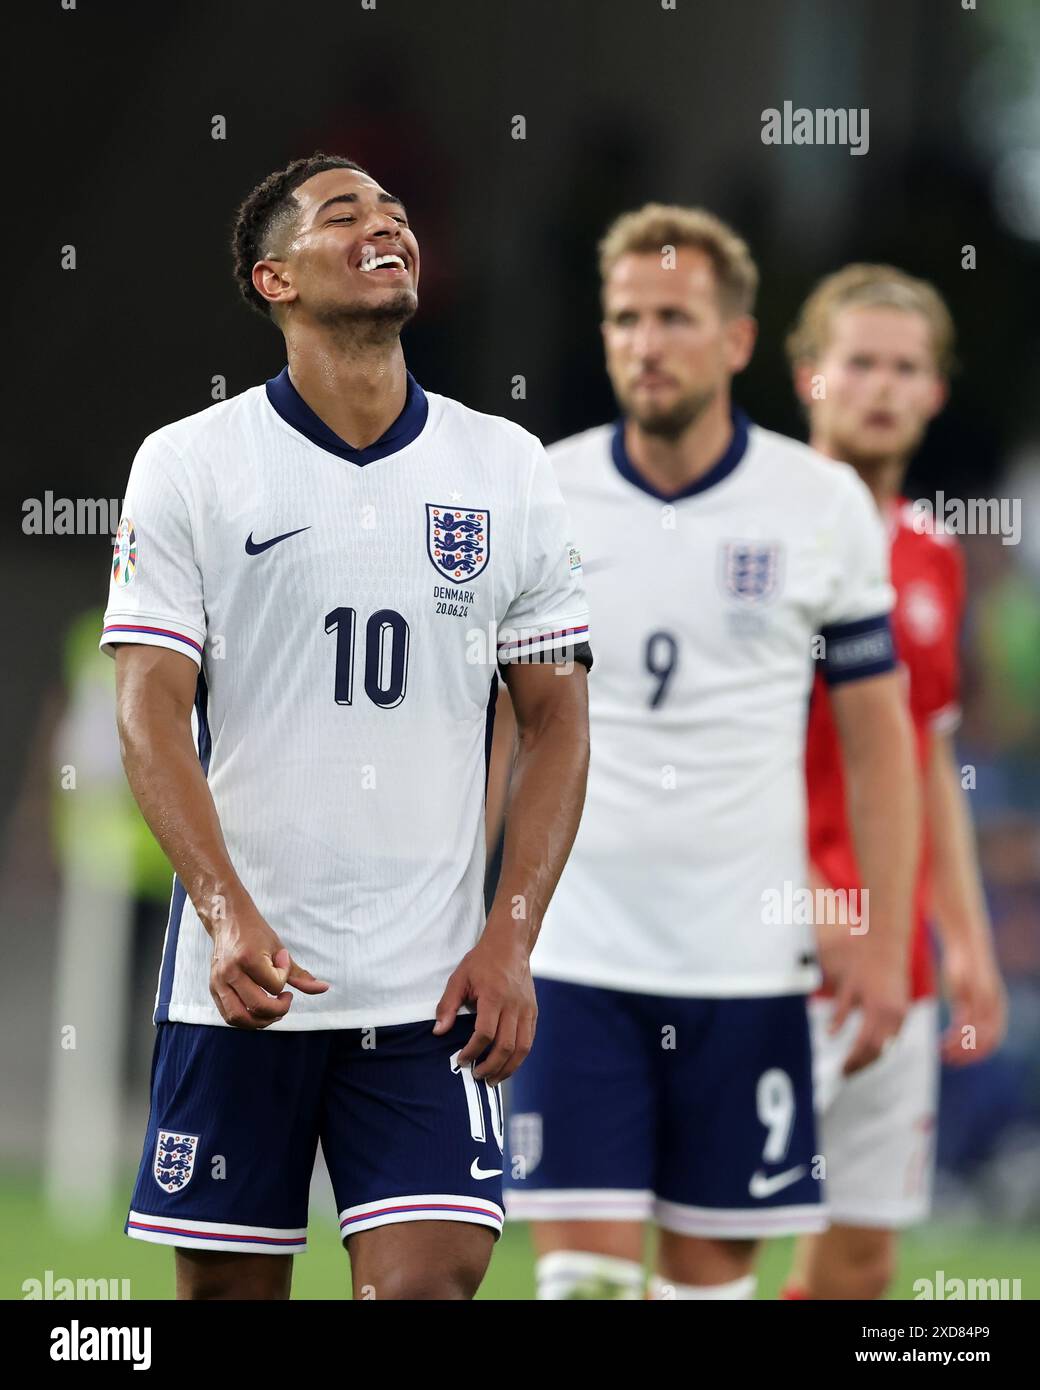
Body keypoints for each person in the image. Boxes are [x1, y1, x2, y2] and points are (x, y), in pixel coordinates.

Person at [100, 152, 591, 1301]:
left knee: (427, 1284)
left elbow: (558, 719)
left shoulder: (505, 466)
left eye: (397, 213)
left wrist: (510, 934)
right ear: (272, 278)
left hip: (430, 990)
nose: (386, 227)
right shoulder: (188, 463)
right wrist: (224, 916)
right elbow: (148, 708)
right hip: (243, 980)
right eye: (344, 214)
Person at [501, 204, 919, 1300]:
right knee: (582, 1285)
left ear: (735, 340)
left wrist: (877, 943)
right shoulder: (541, 489)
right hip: (575, 959)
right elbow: (500, 723)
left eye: (675, 317)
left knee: (705, 1291)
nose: (646, 343)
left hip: (744, 963)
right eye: (625, 317)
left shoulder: (818, 503)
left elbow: (882, 749)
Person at [781, 264, 1007, 1300]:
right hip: (767, 936)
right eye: (857, 361)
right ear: (807, 377)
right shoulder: (754, 531)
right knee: (713, 1241)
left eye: (903, 367)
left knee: (862, 1255)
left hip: (893, 945)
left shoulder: (931, 554)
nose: (879, 385)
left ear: (933, 392)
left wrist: (963, 937)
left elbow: (926, 761)